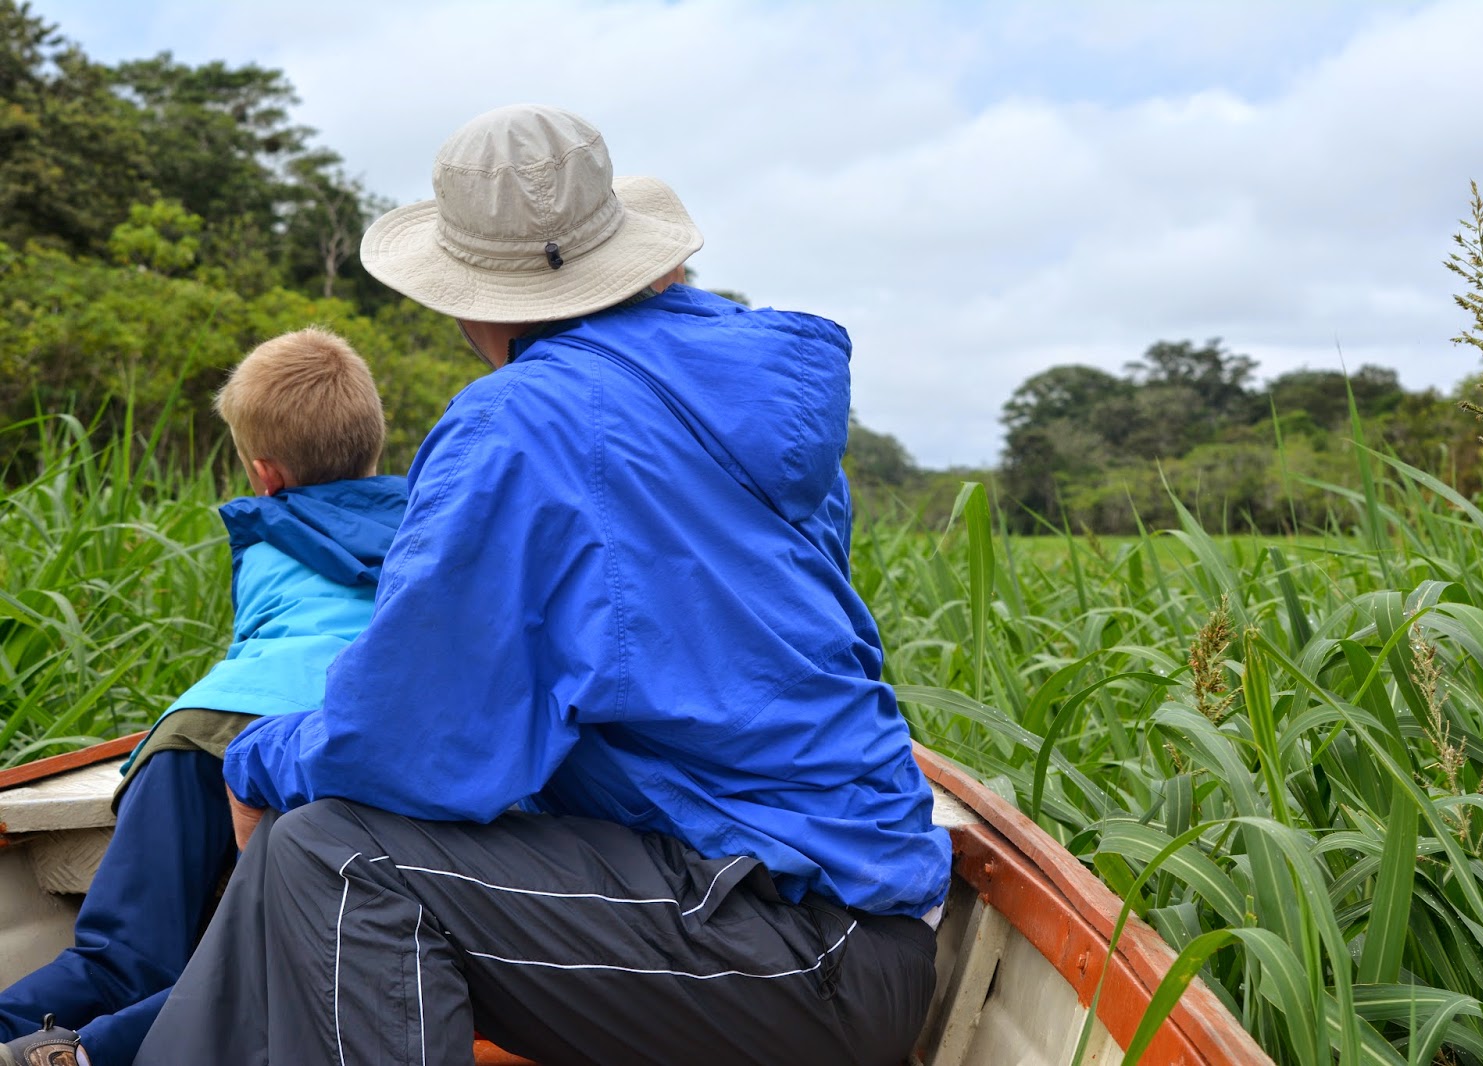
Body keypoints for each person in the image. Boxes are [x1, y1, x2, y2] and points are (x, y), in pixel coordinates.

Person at [134, 104, 952, 1066]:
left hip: (791, 942)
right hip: (849, 929)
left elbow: (416, 738)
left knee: (332, 853)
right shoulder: (748, 407)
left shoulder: (520, 424)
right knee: (312, 842)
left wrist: (256, 760)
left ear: (474, 294)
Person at [0, 330, 407, 1066]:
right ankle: (84, 1053)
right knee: (271, 951)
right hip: (334, 734)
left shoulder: (267, 526)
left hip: (203, 729)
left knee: (120, 958)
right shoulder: (429, 523)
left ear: (263, 473)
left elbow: (256, 646)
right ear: (376, 443)